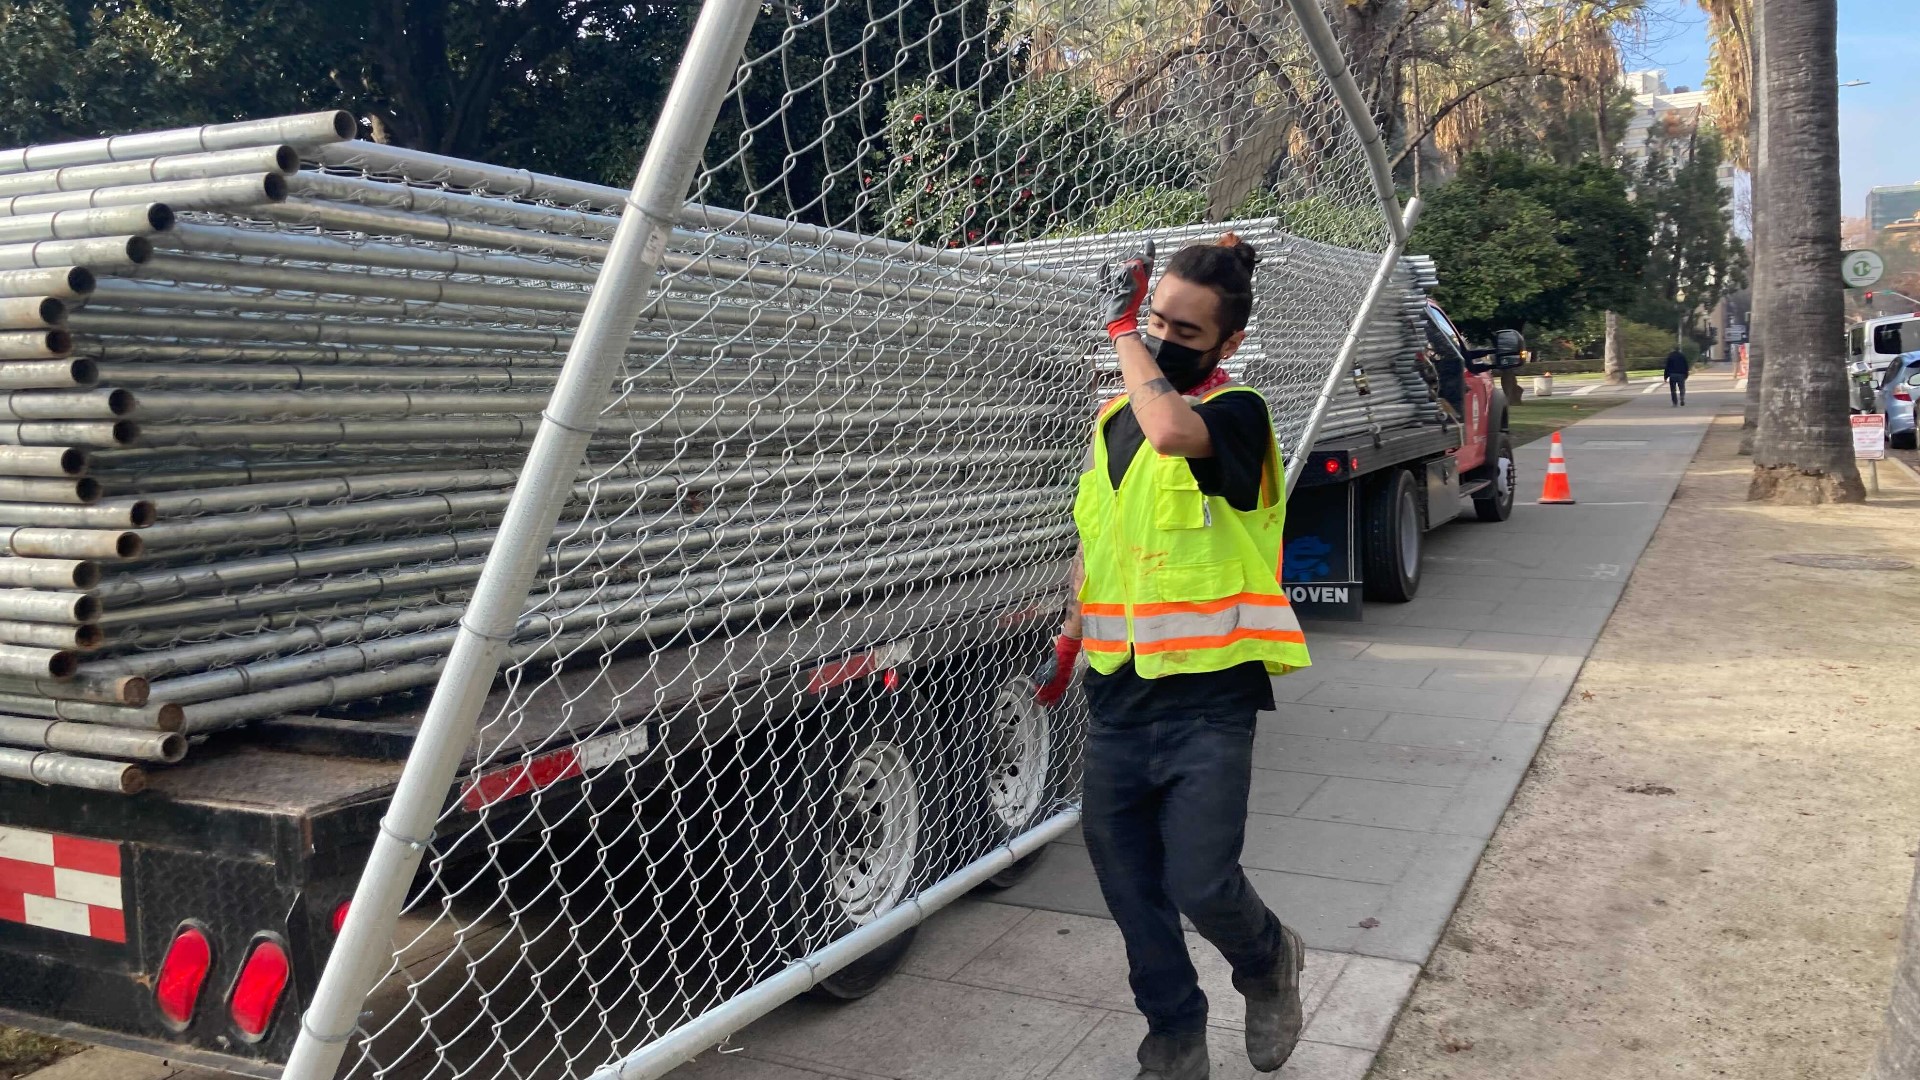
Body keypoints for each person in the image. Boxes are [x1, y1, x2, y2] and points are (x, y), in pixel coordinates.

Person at [1032, 234, 1313, 1080]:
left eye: (1184, 333)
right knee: (1127, 883)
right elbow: (1102, 544)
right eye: (1154, 319)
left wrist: (1119, 329)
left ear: (1228, 345)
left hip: (1209, 701)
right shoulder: (1111, 420)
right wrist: (1071, 637)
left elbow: (1169, 430)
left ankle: (1268, 963)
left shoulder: (1237, 416)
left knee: (1199, 880)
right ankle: (1174, 1032)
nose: (1159, 340)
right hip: (1116, 698)